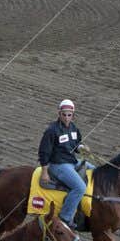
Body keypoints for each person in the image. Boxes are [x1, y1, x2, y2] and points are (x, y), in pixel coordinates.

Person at [38, 99, 87, 232]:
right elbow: (43, 152)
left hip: (72, 161)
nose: (66, 117)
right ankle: (65, 218)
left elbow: (76, 145)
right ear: (59, 113)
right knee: (80, 187)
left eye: (69, 115)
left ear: (73, 115)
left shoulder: (74, 128)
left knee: (96, 170)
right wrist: (44, 172)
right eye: (64, 114)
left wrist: (82, 148)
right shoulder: (51, 130)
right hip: (58, 165)